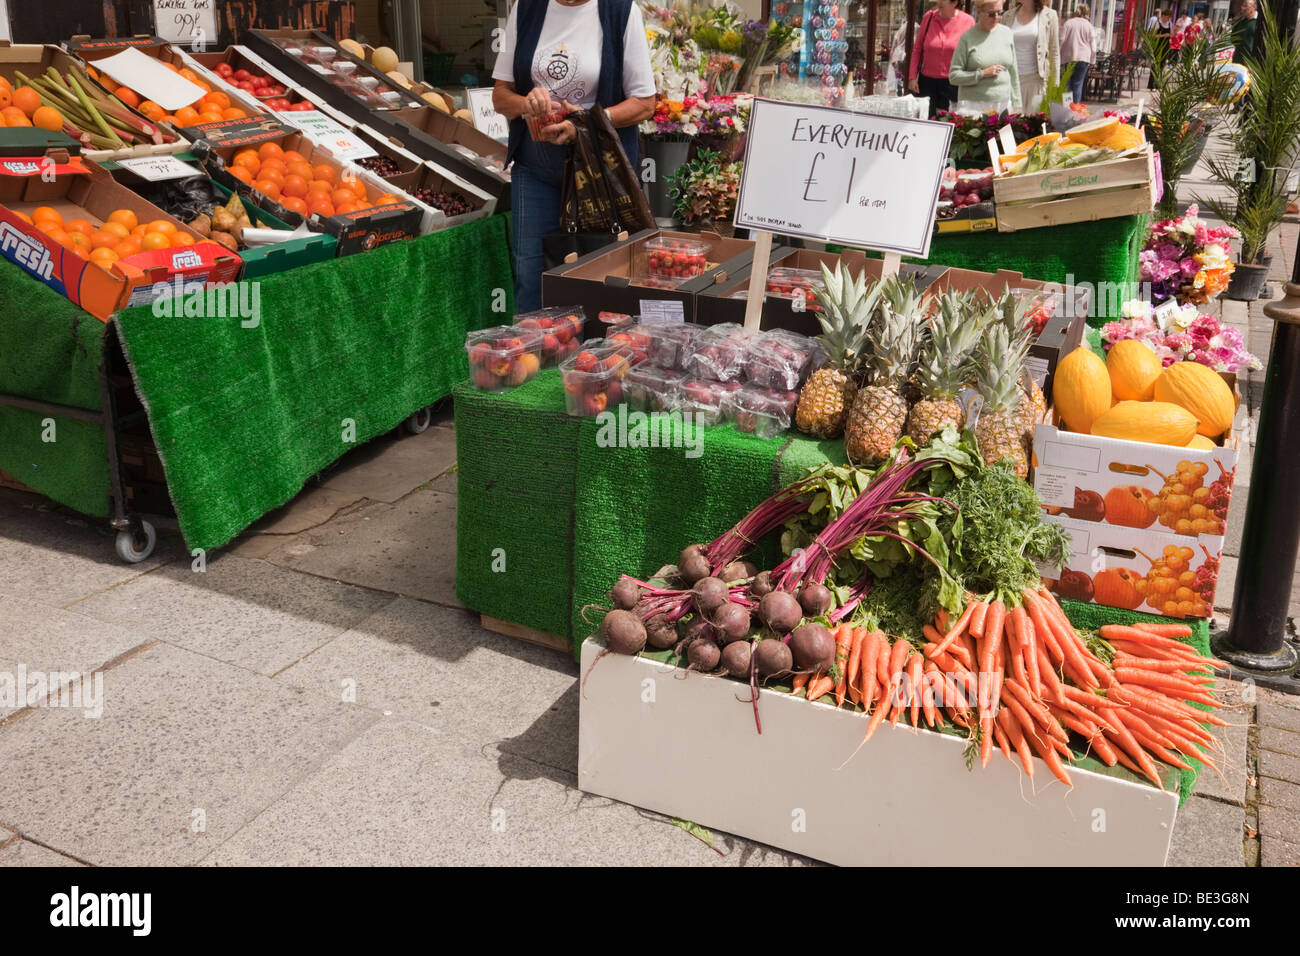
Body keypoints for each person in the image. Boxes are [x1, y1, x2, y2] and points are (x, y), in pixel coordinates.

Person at [492, 0, 656, 310]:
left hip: (597, 174)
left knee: (599, 272)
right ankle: (534, 354)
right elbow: (501, 95)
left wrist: (585, 121)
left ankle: (594, 353)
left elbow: (645, 103)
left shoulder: (620, 12)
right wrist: (527, 103)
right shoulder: (526, 9)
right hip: (535, 168)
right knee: (531, 272)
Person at [907, 0, 975, 116]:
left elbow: (972, 54)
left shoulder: (968, 22)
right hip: (926, 84)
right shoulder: (929, 17)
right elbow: (917, 49)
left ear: (954, 3)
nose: (939, 2)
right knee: (925, 122)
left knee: (949, 123)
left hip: (953, 84)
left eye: (943, 0)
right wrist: (912, 77)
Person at [949, 0, 1021, 109]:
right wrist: (982, 73)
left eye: (1000, 13)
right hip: (973, 105)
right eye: (991, 14)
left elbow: (1013, 72)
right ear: (978, 12)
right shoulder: (967, 38)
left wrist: (1017, 103)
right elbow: (954, 76)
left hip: (1003, 104)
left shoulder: (1007, 34)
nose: (996, 17)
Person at [1003, 0, 1060, 114]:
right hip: (1010, 81)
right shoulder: (1007, 16)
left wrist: (1054, 87)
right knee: (1009, 126)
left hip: (1036, 81)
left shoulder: (1049, 15)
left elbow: (1054, 52)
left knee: (1034, 126)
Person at [1060, 3, 1094, 104]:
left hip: (1067, 58)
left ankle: (1066, 109)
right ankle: (1075, 111)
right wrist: (1093, 60)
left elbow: (1060, 40)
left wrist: (1057, 56)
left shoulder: (1068, 23)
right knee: (1077, 85)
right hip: (1083, 59)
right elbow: (1094, 46)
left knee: (1066, 84)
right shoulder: (1089, 26)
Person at [1148, 8, 1173, 88]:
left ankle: (1158, 84)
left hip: (1165, 46)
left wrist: (1171, 35)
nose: (1167, 19)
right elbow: (1152, 35)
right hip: (1158, 46)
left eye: (1169, 18)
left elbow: (1171, 34)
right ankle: (1152, 84)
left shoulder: (1170, 24)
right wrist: (1163, 35)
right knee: (1155, 65)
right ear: (1163, 16)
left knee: (1162, 65)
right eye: (1167, 17)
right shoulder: (1157, 23)